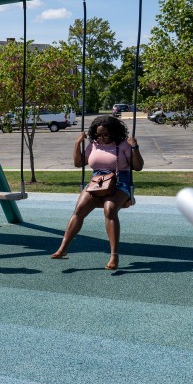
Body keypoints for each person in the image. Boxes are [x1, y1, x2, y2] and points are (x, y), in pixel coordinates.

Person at [51, 115, 144, 270]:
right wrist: (77, 143)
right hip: (97, 182)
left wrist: (134, 147)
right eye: (98, 134)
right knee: (79, 210)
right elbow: (78, 163)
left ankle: (114, 256)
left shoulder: (123, 145)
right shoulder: (94, 144)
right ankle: (63, 248)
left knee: (110, 209)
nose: (101, 137)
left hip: (120, 182)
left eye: (105, 134)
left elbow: (138, 166)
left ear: (113, 132)